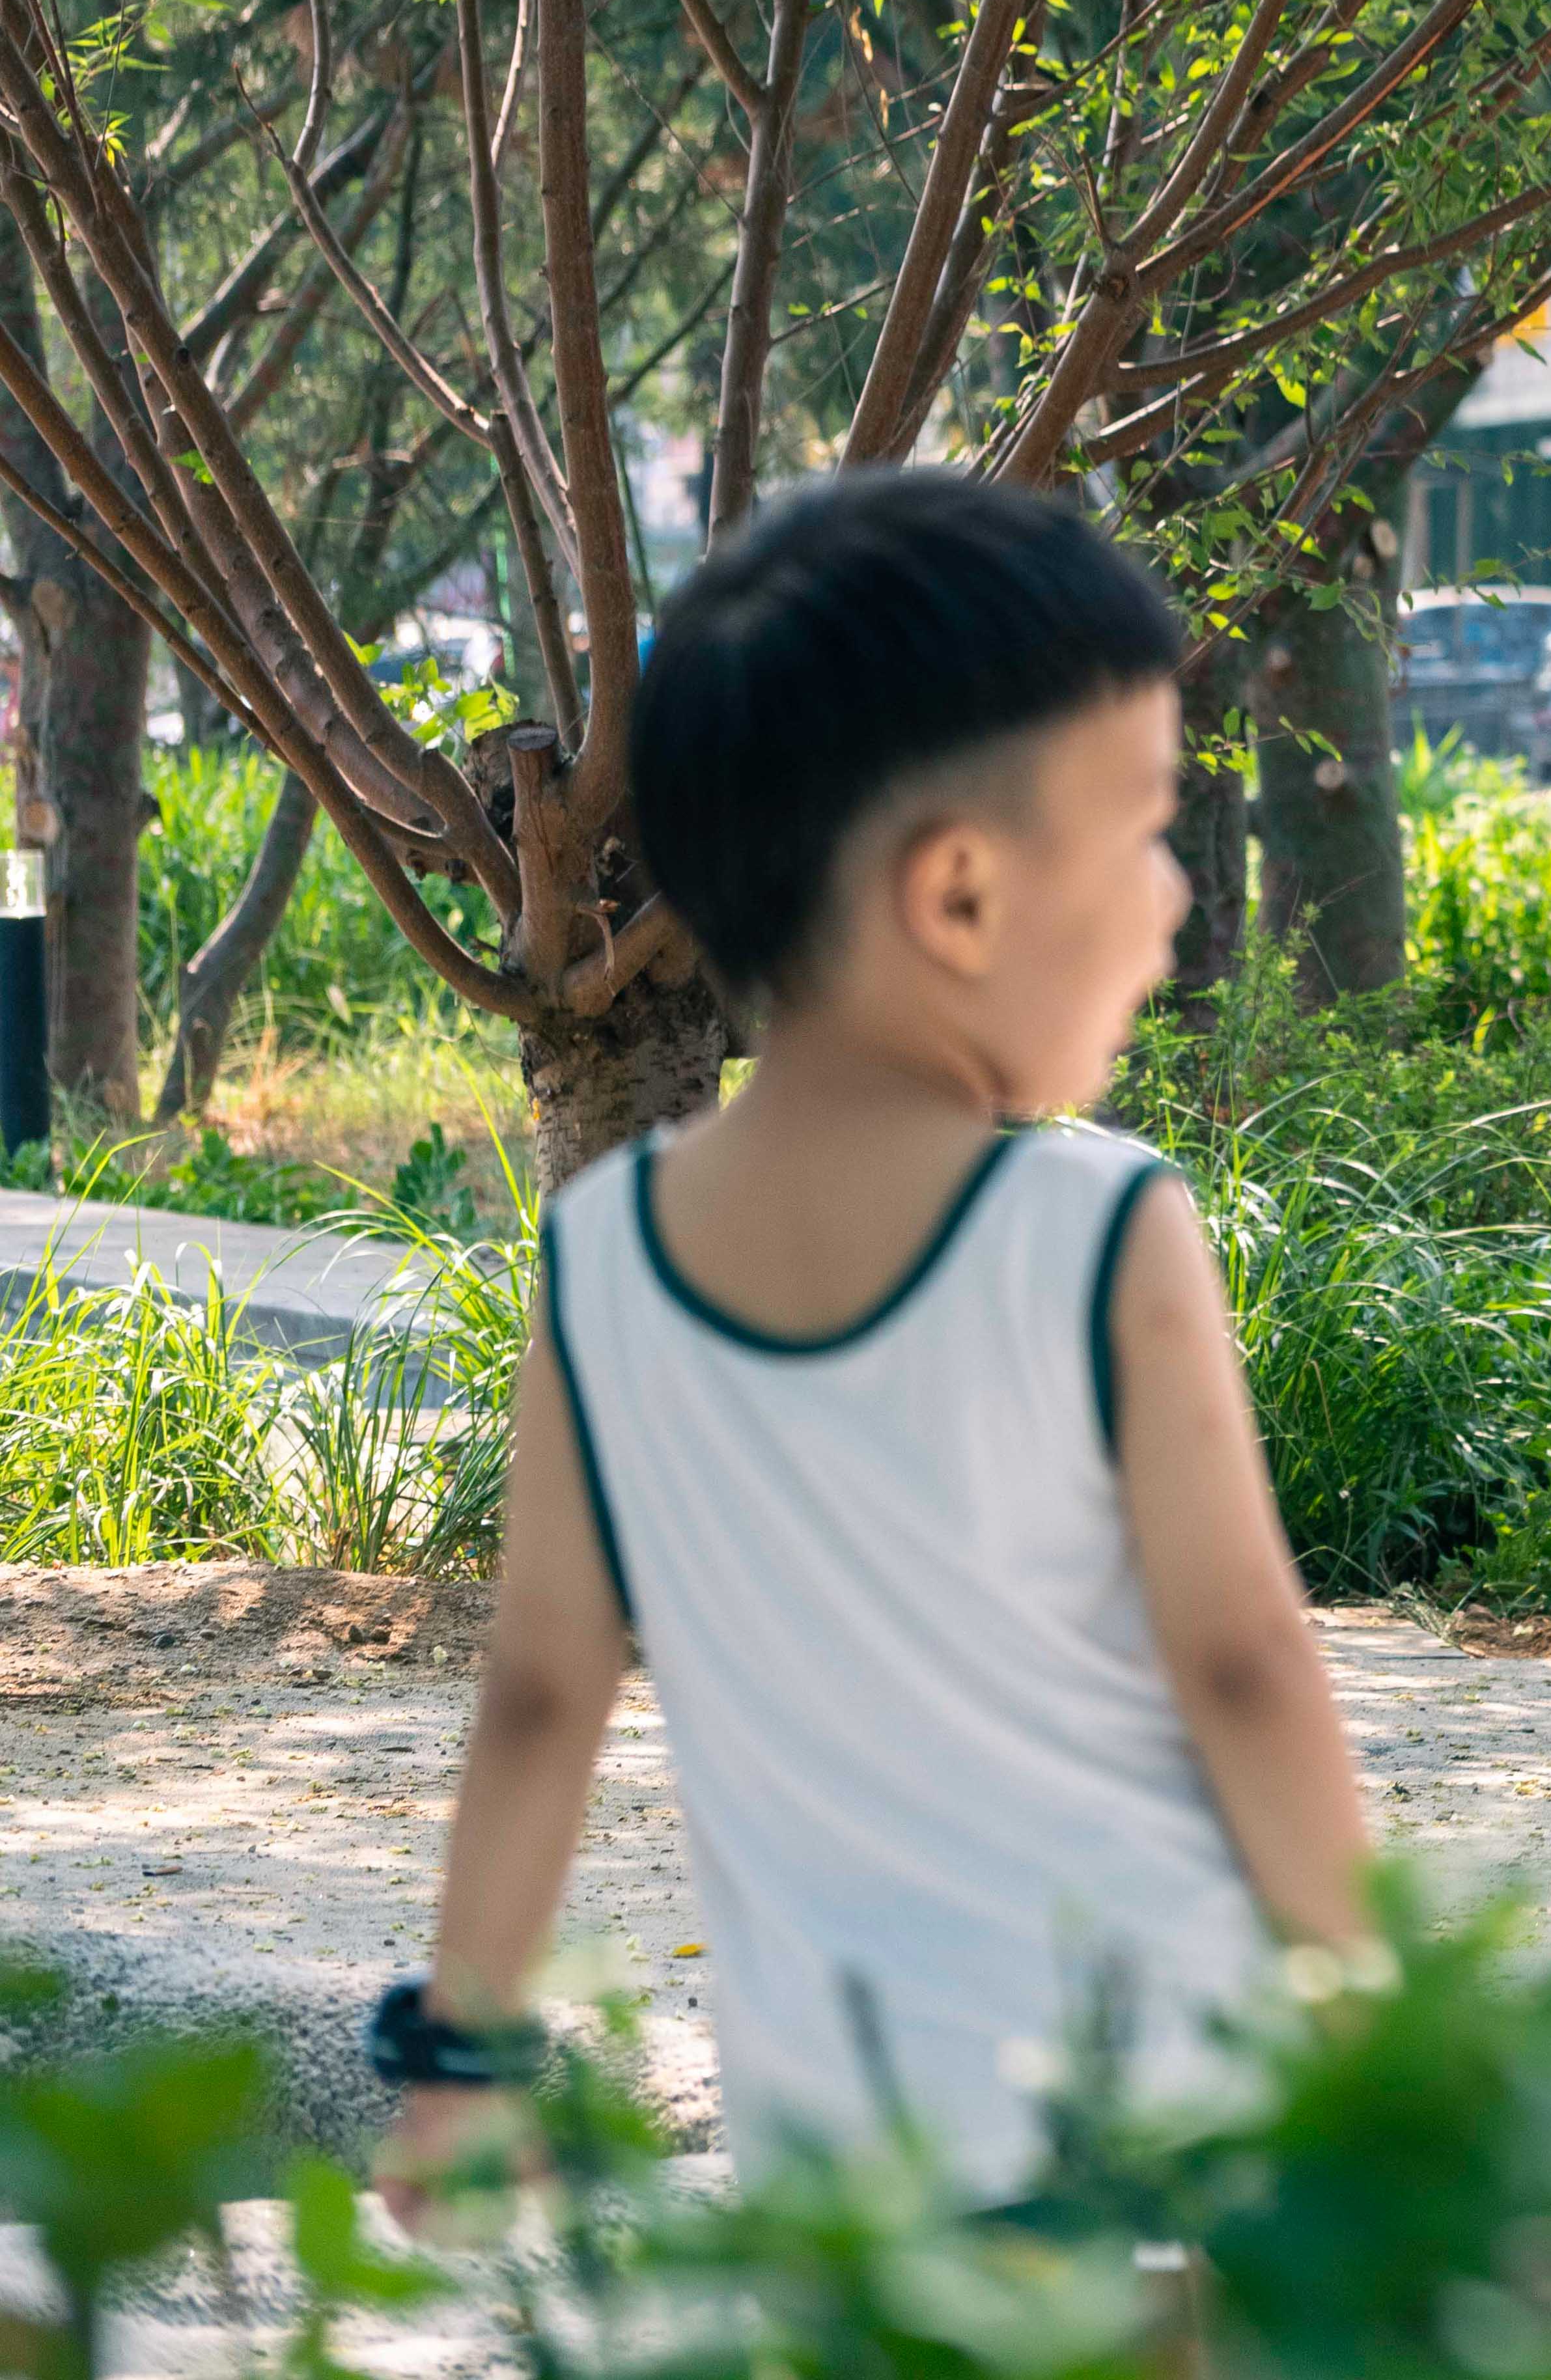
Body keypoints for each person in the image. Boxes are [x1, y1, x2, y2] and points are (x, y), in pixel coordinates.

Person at [374, 473, 1369, 2213]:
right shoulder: (1100, 1235)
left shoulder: (603, 1267)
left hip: (841, 2169)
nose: (1174, 912)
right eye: (1139, 838)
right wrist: (1388, 2040)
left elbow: (542, 1694)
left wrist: (463, 2067)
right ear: (963, 897)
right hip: (1170, 2119)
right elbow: (1246, 1669)